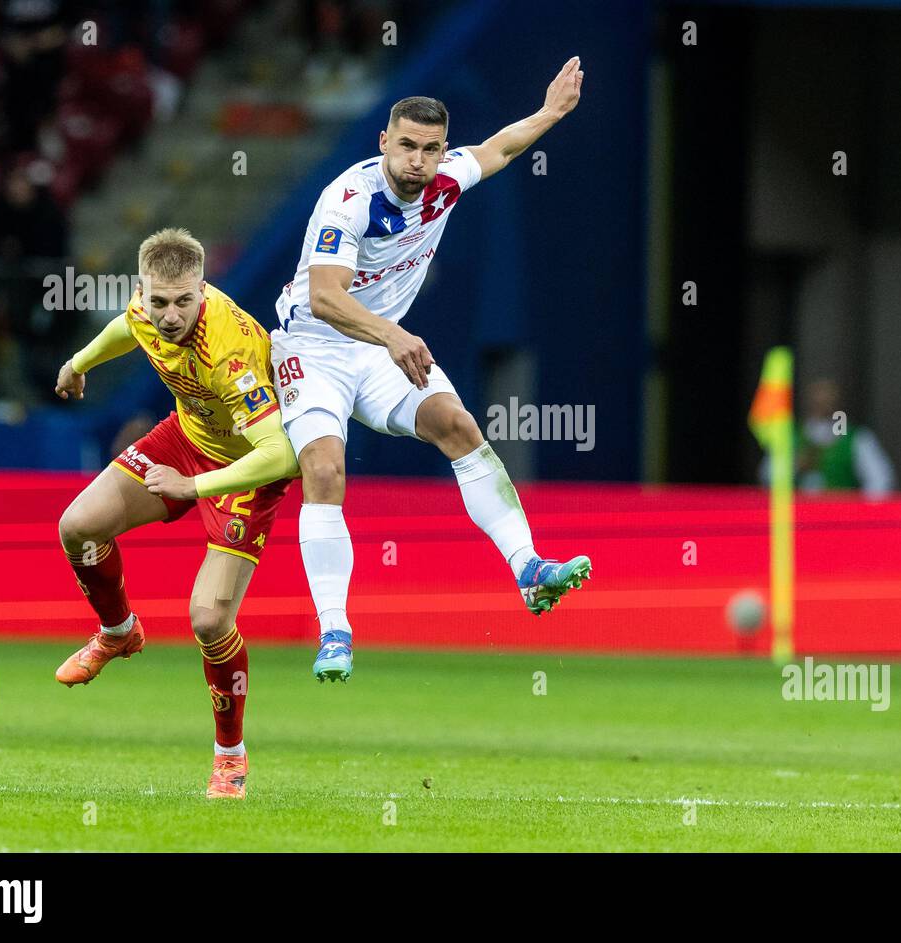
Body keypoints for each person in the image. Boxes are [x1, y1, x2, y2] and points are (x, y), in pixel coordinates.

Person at [271, 57, 591, 683]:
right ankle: (334, 628)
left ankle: (528, 570)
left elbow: (498, 148)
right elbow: (324, 297)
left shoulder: (445, 179)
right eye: (407, 147)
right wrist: (393, 333)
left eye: (431, 149)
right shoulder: (347, 201)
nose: (418, 161)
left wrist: (551, 111)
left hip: (379, 350)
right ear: (384, 143)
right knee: (326, 468)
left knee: (458, 425)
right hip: (312, 349)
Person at [52, 228, 299, 799]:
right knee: (78, 528)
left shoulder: (229, 350)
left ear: (203, 288)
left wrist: (193, 486)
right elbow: (127, 328)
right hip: (185, 439)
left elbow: (280, 453)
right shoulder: (147, 310)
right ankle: (118, 632)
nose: (168, 316)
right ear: (143, 290)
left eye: (182, 301)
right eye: (158, 301)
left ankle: (229, 758)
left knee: (209, 621)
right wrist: (79, 362)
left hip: (247, 471)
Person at [794, 379, 895, 498]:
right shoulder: (792, 436)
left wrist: (857, 509)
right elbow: (769, 476)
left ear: (837, 402)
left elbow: (881, 481)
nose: (822, 403)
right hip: (799, 511)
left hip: (839, 512)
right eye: (818, 399)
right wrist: (795, 466)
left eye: (827, 399)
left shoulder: (857, 438)